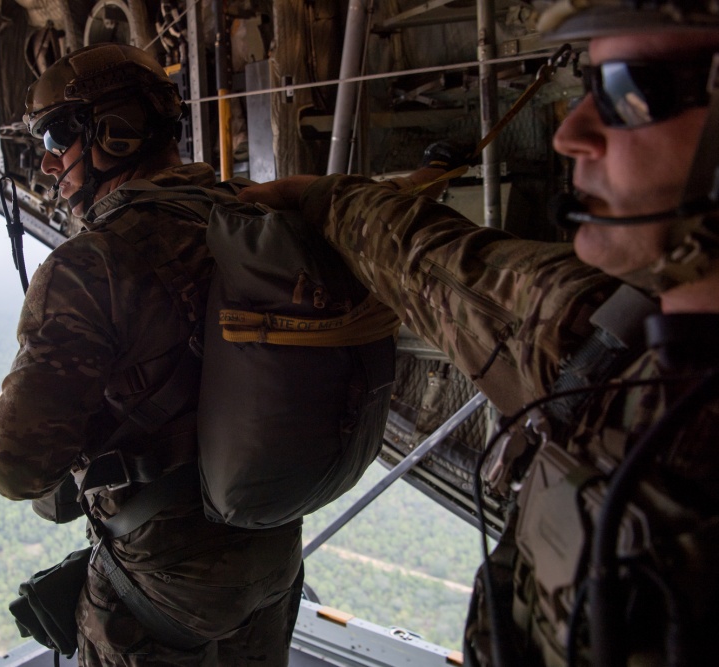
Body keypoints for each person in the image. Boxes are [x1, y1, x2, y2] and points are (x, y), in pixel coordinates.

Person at [239, 4, 719, 666]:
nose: (570, 133)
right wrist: (313, 198)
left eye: (625, 92)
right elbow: (426, 260)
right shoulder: (604, 341)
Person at [0, 43, 302, 666]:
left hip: (161, 587)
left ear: (113, 134)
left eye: (55, 138)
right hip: (272, 557)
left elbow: (15, 467)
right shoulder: (250, 220)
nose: (47, 164)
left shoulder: (88, 266)